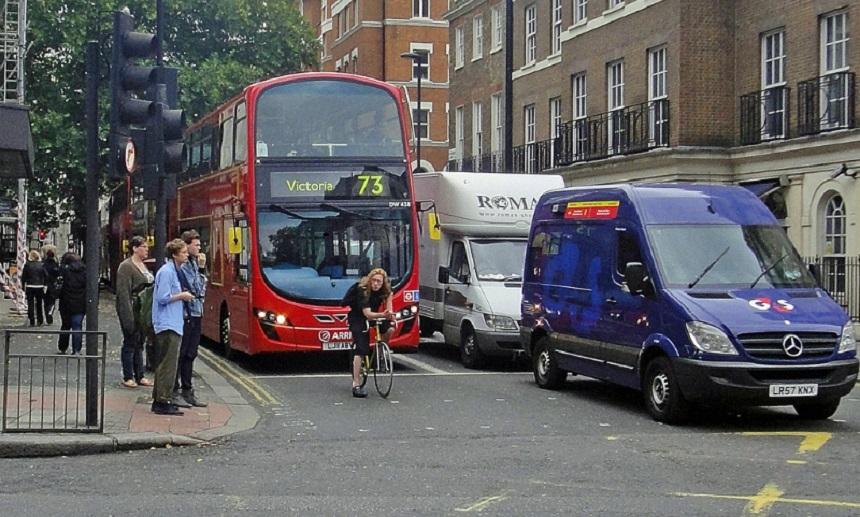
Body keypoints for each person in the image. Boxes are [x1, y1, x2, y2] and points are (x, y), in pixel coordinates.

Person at [151, 239, 196, 416]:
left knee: (167, 363)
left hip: (173, 322)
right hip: (167, 323)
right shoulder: (167, 272)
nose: (186, 255)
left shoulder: (174, 271)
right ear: (174, 254)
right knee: (168, 364)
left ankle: (160, 399)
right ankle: (163, 401)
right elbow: (163, 297)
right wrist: (182, 296)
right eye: (183, 252)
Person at [347, 268, 395, 398]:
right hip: (358, 317)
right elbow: (367, 314)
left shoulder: (386, 291)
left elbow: (389, 309)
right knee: (361, 349)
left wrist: (390, 316)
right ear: (369, 280)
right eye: (374, 280)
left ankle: (381, 351)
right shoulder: (363, 290)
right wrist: (383, 314)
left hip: (375, 315)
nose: (376, 284)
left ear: (383, 283)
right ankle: (356, 384)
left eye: (379, 281)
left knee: (390, 328)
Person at [174, 230, 208, 407]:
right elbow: (196, 288)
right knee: (182, 353)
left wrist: (201, 270)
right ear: (186, 246)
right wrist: (202, 270)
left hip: (196, 312)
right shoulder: (185, 266)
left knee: (191, 353)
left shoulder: (194, 263)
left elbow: (202, 290)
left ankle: (187, 390)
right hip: (186, 313)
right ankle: (175, 389)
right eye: (196, 245)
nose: (199, 248)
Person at [115, 236, 154, 389]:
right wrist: (127, 317)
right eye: (144, 247)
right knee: (130, 342)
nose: (147, 249)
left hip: (143, 309)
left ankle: (140, 375)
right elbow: (123, 293)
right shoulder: (126, 267)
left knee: (139, 343)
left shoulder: (143, 265)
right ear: (135, 248)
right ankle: (128, 376)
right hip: (132, 308)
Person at [57, 252, 86, 355]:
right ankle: (76, 349)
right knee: (77, 326)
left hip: (66, 303)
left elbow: (59, 287)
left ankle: (63, 347)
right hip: (80, 304)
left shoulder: (64, 272)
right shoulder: (84, 271)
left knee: (65, 325)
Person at [21, 250, 46, 327]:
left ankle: (32, 320)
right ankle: (40, 320)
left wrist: (23, 285)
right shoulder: (41, 265)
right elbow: (46, 275)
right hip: (39, 286)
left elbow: (23, 276)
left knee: (30, 303)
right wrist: (44, 284)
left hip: (30, 286)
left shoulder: (27, 265)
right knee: (39, 304)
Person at [42, 246, 61, 325]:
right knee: (52, 301)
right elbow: (58, 273)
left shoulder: (44, 264)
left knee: (45, 302)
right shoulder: (55, 264)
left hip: (45, 285)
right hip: (53, 284)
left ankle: (47, 315)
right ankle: (50, 311)